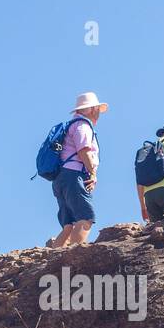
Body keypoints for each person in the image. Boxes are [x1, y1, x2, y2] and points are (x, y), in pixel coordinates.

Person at [51, 92, 106, 248]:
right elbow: (84, 151)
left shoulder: (71, 125)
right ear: (91, 109)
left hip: (60, 178)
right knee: (85, 217)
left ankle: (53, 262)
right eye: (97, 109)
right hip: (73, 176)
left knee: (68, 225)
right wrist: (93, 173)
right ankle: (72, 258)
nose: (98, 113)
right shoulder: (82, 125)